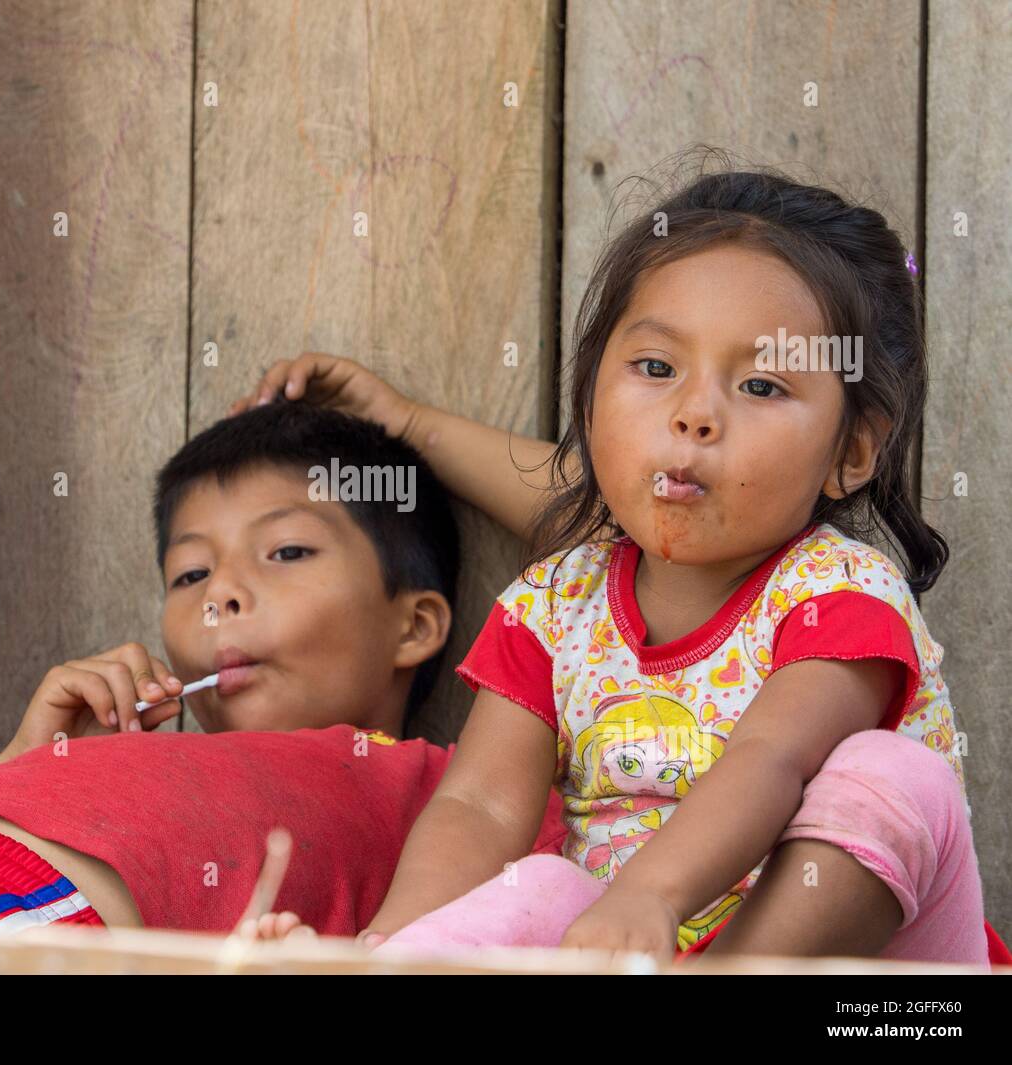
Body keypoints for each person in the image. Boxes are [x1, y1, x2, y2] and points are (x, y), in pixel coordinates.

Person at [259, 164, 1011, 967]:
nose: (692, 413)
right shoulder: (555, 607)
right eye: (655, 369)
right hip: (637, 957)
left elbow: (772, 755)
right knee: (546, 888)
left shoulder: (840, 594)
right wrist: (387, 944)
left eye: (761, 384)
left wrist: (651, 893)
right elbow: (479, 806)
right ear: (588, 400)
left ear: (853, 450)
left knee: (896, 774)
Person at [0, 396, 570, 937]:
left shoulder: (458, 795)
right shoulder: (134, 744)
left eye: (287, 550)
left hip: (4, 928)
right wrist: (27, 760)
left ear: (414, 624)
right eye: (190, 572)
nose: (219, 595)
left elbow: (641, 523)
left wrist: (411, 425)